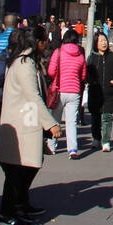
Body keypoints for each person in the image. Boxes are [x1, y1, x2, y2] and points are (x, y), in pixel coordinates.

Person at [0, 27, 64, 225]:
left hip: (27, 121)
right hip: (21, 123)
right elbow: (32, 95)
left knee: (25, 169)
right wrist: (51, 123)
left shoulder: (27, 62)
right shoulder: (24, 63)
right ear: (37, 42)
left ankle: (20, 206)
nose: (46, 45)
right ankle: (7, 213)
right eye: (44, 41)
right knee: (17, 172)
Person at [48, 29, 88, 158]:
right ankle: (72, 149)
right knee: (71, 122)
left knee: (55, 120)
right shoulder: (81, 55)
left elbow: (51, 71)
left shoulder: (58, 52)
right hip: (74, 91)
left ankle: (51, 146)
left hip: (59, 90)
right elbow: (83, 75)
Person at [85, 32, 113, 152]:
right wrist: (89, 81)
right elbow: (86, 73)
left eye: (105, 40)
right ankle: (96, 139)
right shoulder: (92, 57)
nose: (103, 43)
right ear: (96, 43)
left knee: (107, 117)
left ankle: (106, 141)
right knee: (95, 116)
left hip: (109, 92)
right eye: (100, 41)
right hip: (95, 92)